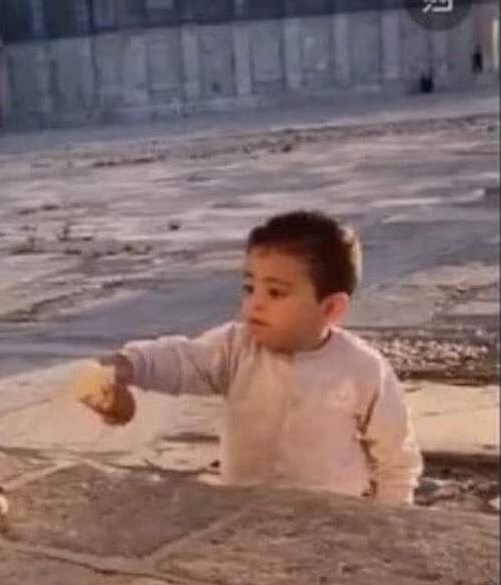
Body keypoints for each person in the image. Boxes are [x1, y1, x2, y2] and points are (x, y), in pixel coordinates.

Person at [84, 210, 423, 505]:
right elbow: (179, 358)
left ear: (330, 308)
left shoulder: (363, 368)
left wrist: (387, 526)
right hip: (243, 517)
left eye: (275, 293)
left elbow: (397, 460)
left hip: (329, 524)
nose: (254, 304)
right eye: (249, 288)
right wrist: (122, 367)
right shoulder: (236, 347)